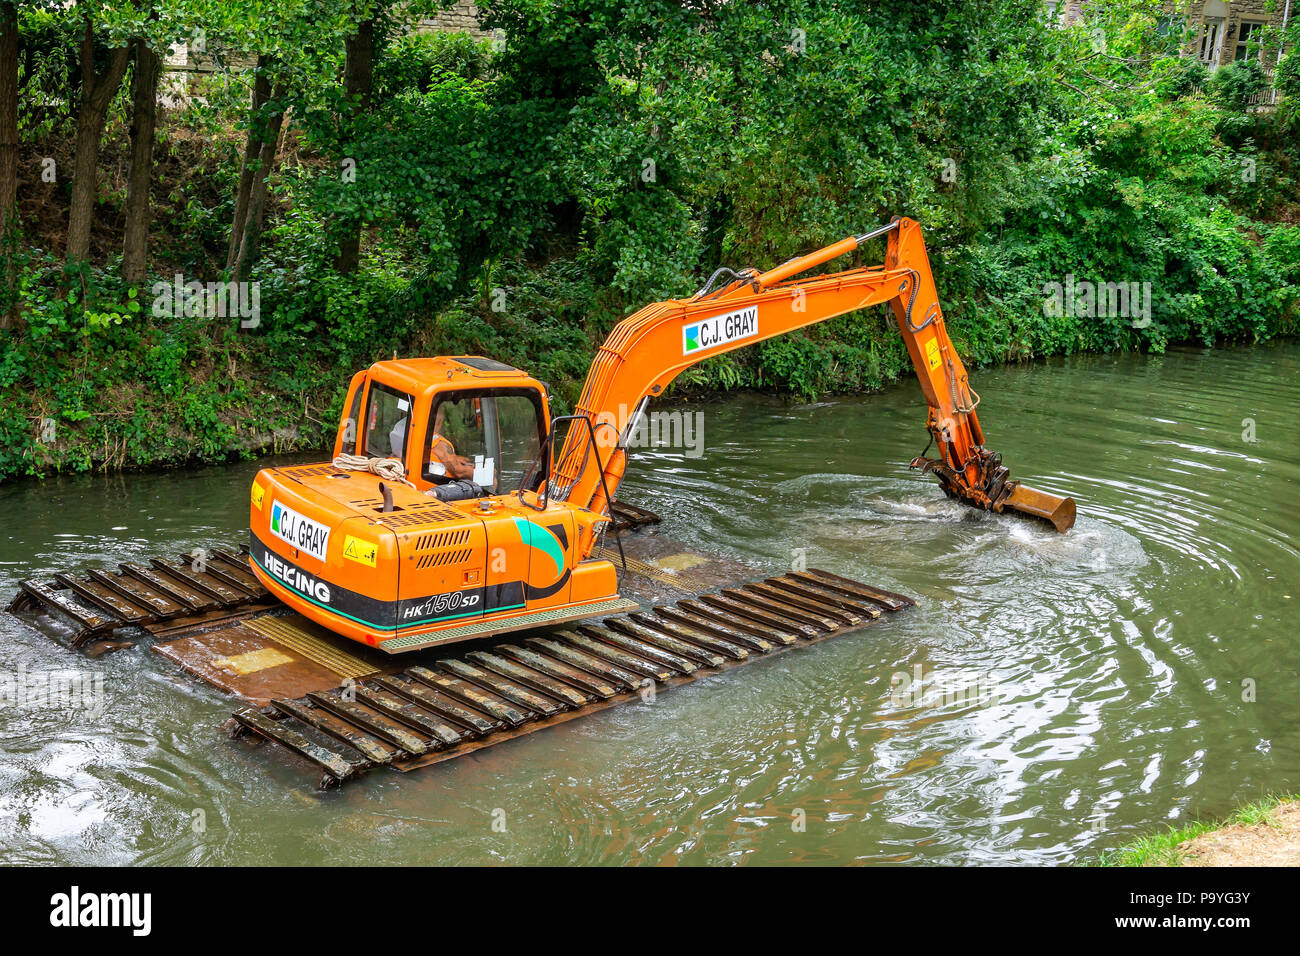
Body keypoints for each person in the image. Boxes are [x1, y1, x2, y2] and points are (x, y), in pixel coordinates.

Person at [428, 404, 475, 479]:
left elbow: (443, 457)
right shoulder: (439, 443)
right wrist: (483, 472)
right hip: (439, 486)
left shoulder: (423, 435)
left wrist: (458, 459)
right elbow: (459, 471)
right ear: (440, 422)